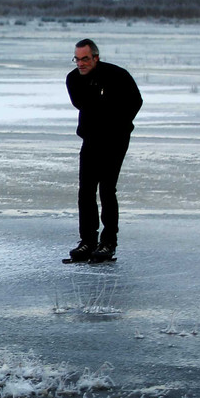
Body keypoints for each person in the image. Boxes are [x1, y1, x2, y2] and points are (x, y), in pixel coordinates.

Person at [65, 39, 143, 263]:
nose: (81, 63)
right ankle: (87, 240)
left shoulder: (117, 75)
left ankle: (108, 242)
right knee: (86, 190)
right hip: (91, 138)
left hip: (115, 140)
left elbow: (136, 101)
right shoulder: (73, 79)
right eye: (77, 59)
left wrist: (117, 124)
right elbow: (84, 104)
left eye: (85, 59)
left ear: (95, 58)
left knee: (107, 189)